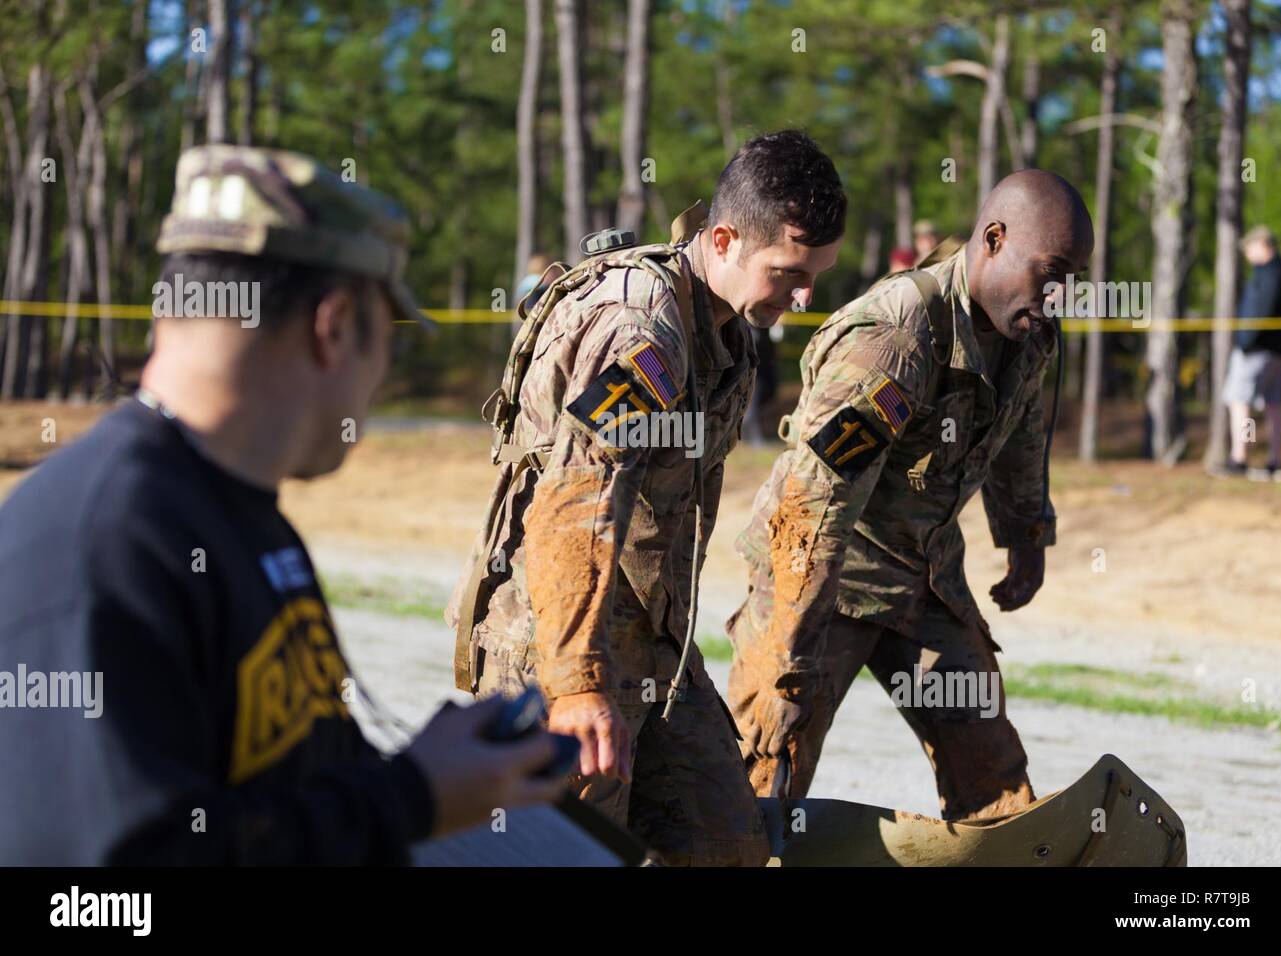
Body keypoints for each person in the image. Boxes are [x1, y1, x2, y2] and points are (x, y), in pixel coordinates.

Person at [0, 145, 567, 865]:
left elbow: (288, 775)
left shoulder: (239, 512)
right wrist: (411, 798)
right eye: (384, 340)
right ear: (333, 326)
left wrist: (439, 769)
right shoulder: (99, 539)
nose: (380, 379)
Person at [448, 130, 847, 865]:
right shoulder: (640, 332)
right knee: (565, 854)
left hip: (654, 649)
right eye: (789, 272)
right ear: (723, 238)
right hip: (556, 645)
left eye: (815, 276)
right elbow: (576, 498)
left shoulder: (729, 332)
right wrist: (575, 687)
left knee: (728, 844)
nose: (804, 295)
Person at [726, 169, 1093, 822]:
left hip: (923, 578)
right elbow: (812, 504)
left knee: (993, 778)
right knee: (764, 775)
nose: (1061, 295)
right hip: (824, 581)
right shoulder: (896, 335)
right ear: (995, 238)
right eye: (1052, 271)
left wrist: (1026, 539)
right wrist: (786, 648)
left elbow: (1020, 440)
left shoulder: (1028, 335)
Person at [1221, 225, 1281, 481]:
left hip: (1257, 350)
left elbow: (1261, 309)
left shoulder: (1270, 273)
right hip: (1276, 350)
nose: (1247, 255)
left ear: (1262, 243)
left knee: (1239, 400)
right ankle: (1274, 461)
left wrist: (1245, 341)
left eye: (1249, 248)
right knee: (1273, 405)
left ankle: (1240, 457)